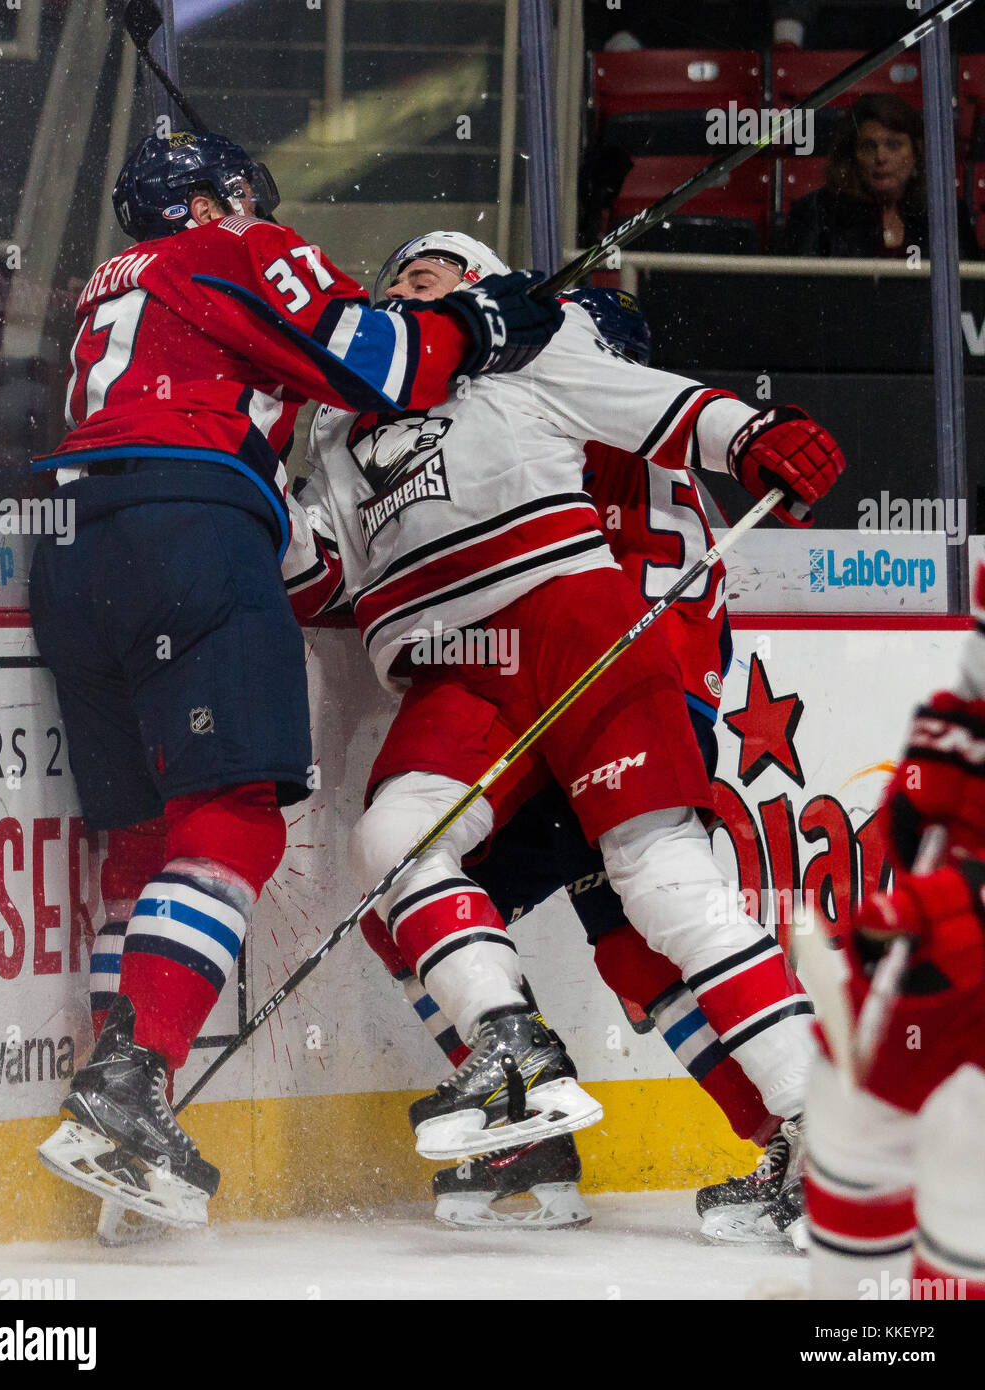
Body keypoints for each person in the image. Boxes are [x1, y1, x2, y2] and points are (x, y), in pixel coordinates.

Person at [30, 136, 565, 1231]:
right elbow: (385, 361)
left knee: (141, 848)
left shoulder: (103, 292)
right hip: (188, 525)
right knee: (235, 818)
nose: (265, 213)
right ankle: (131, 1091)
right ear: (216, 200)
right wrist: (482, 322)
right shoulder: (236, 246)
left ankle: (121, 1136)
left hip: (70, 546)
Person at [282, 230, 844, 1239]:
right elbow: (318, 566)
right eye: (397, 273)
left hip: (579, 644)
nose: (410, 281)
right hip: (463, 663)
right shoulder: (343, 417)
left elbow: (664, 409)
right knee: (412, 863)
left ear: (488, 290)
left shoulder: (528, 350)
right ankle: (519, 1073)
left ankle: (822, 1144)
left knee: (659, 902)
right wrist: (237, 481)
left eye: (438, 270)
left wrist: (752, 433)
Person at [803, 569, 985, 1298]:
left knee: (968, 1146)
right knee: (857, 1115)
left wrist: (942, 908)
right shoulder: (958, 719)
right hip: (940, 990)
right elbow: (917, 830)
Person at [781, 93, 979, 261]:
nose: (880, 158)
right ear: (852, 155)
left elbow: (970, 292)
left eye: (893, 145)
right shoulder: (815, 212)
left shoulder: (947, 213)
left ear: (916, 152)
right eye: (868, 147)